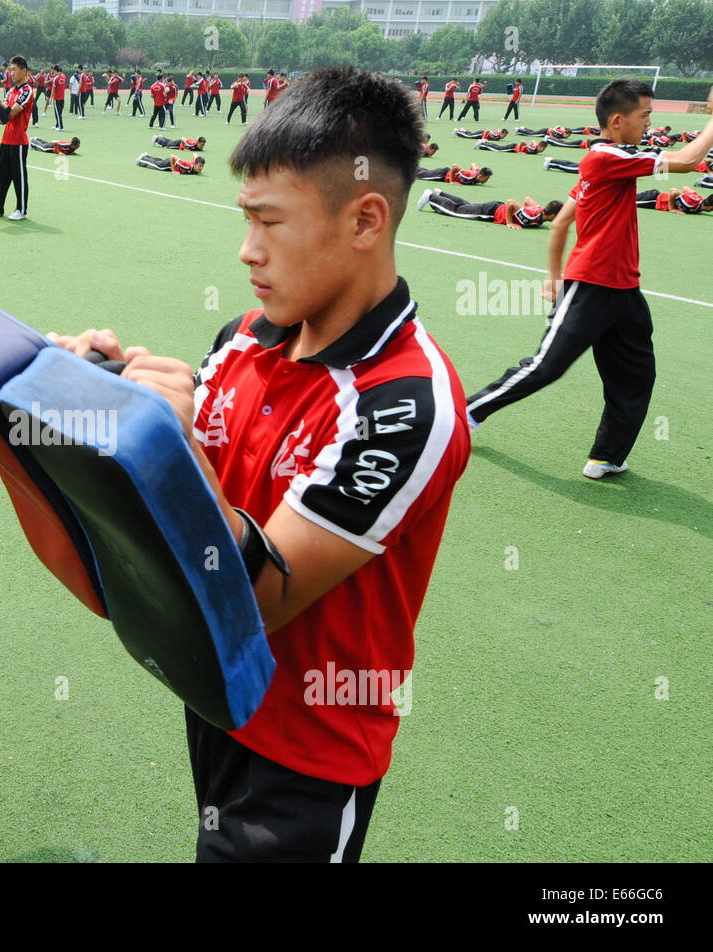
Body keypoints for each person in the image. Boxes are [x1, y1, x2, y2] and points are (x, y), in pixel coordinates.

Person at [50, 67, 470, 862]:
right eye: (245, 221)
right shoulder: (245, 336)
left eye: (268, 223)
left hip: (312, 754)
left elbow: (253, 598)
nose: (247, 252)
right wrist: (110, 388)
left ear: (365, 220)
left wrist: (166, 441)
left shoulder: (405, 405)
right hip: (219, 699)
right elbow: (193, 487)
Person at [467, 79, 713, 478]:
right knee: (547, 366)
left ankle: (608, 455)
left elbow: (562, 223)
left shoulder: (608, 162)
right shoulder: (605, 158)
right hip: (594, 284)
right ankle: (468, 412)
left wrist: (552, 278)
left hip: (625, 290)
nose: (650, 122)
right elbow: (685, 161)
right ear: (617, 121)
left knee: (635, 375)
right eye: (645, 115)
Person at [0, 55, 33, 221]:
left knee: (18, 176)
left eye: (13, 70)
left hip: (19, 142)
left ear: (24, 71)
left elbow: (11, 112)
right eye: (10, 70)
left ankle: (22, 210)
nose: (10, 73)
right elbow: (2, 117)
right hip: (6, 140)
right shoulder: (11, 91)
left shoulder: (27, 91)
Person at [419, 189, 560, 227]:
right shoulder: (531, 216)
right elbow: (511, 203)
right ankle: (431, 196)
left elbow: (528, 199)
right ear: (553, 216)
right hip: (491, 212)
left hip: (494, 207)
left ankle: (441, 194)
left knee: (465, 207)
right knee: (457, 212)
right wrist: (510, 222)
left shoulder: (539, 212)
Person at [635, 186, 705, 213]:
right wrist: (672, 209)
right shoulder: (691, 203)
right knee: (629, 202)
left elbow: (686, 188)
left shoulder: (699, 199)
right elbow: (673, 191)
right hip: (654, 200)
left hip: (656, 195)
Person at [414, 163, 491, 185]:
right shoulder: (469, 176)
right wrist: (452, 181)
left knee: (425, 172)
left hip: (443, 172)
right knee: (420, 175)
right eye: (486, 178)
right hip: (442, 175)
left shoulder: (477, 172)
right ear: (481, 176)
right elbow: (455, 167)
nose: (487, 180)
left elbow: (473, 164)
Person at [136, 152, 204, 174]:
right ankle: (141, 159)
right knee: (155, 165)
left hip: (170, 162)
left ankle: (146, 156)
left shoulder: (195, 165)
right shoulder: (187, 166)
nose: (201, 168)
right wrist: (173, 170)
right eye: (199, 166)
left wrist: (198, 158)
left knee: (157, 161)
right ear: (195, 164)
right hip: (169, 164)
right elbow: (172, 156)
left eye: (202, 166)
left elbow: (195, 154)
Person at [50, 64, 66, 130]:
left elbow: (53, 90)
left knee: (57, 113)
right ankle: (57, 125)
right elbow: (60, 74)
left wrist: (50, 99)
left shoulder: (55, 79)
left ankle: (60, 127)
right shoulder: (64, 76)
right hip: (62, 98)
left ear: (54, 70)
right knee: (59, 113)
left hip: (57, 98)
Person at [476, 138, 545, 154]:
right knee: (497, 149)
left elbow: (533, 141)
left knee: (498, 146)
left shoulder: (536, 148)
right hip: (513, 148)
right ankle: (481, 144)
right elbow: (522, 142)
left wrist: (532, 143)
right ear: (540, 146)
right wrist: (519, 151)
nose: (543, 150)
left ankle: (484, 142)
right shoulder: (533, 149)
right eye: (543, 148)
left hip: (514, 146)